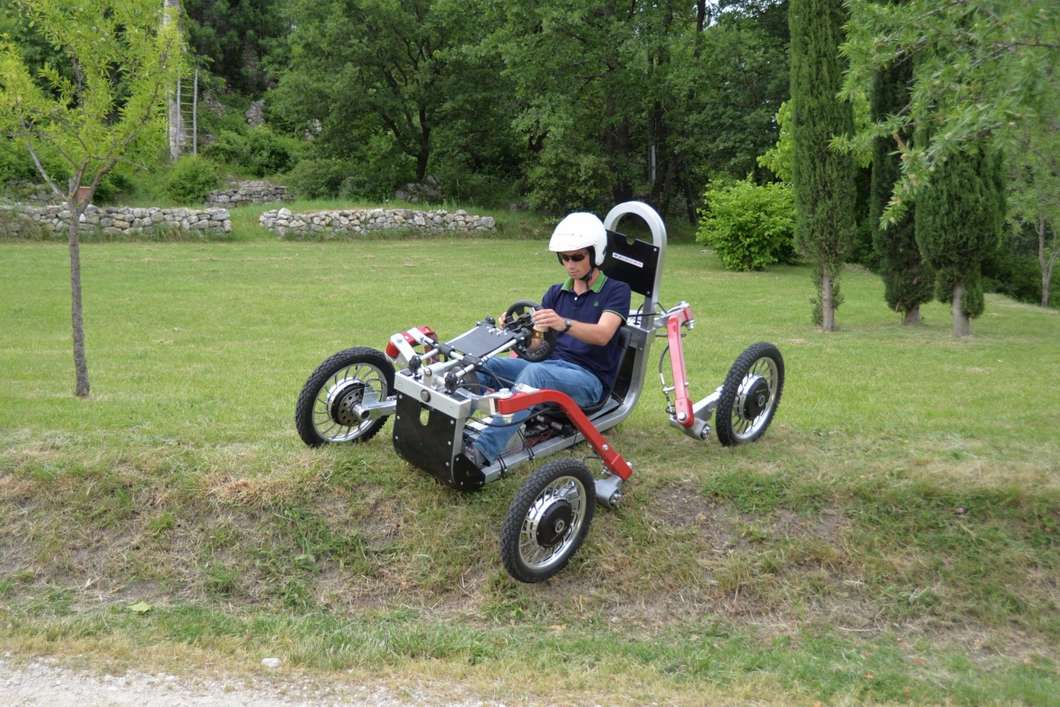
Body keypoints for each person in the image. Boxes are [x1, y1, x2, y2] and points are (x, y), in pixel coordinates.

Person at [467, 212, 631, 467]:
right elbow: (536, 345)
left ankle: (480, 453)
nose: (570, 264)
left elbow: (603, 335)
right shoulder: (556, 292)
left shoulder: (617, 290)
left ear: (596, 254)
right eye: (564, 258)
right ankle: (453, 434)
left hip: (588, 379)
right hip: (547, 366)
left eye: (577, 257)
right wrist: (514, 329)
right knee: (481, 365)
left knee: (535, 376)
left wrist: (563, 324)